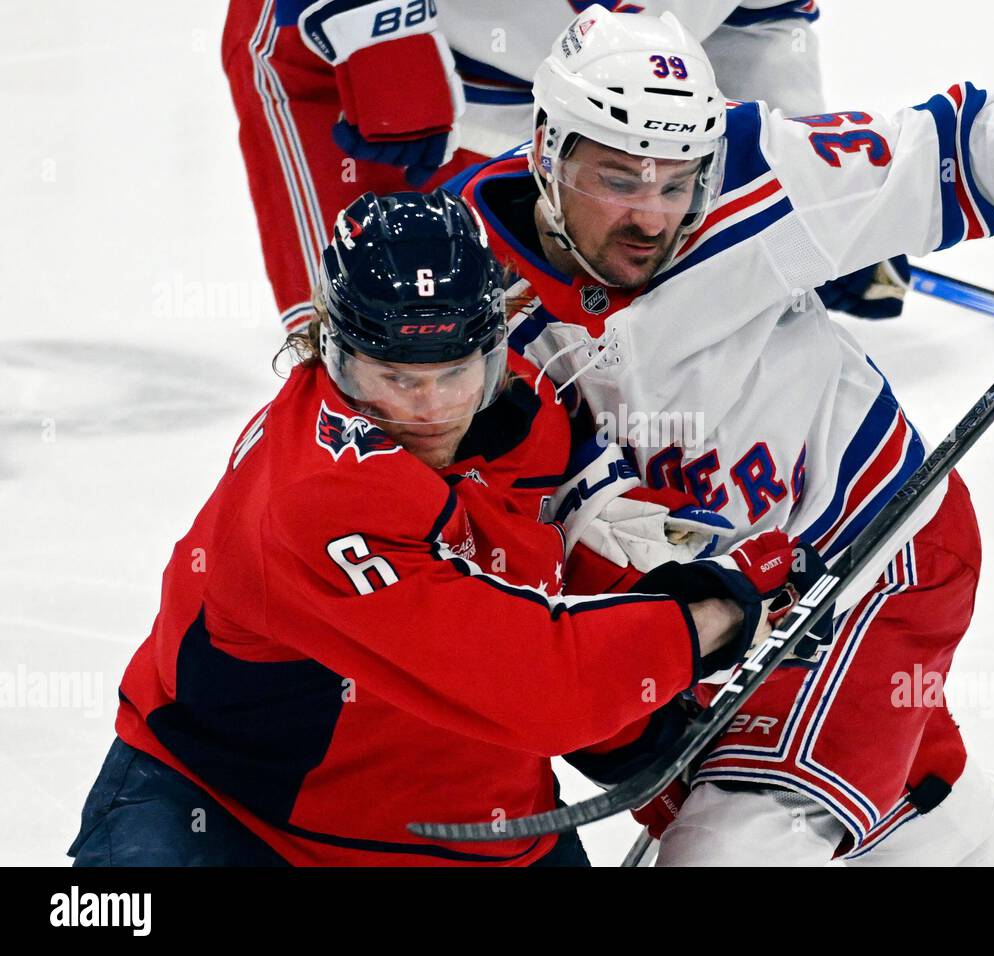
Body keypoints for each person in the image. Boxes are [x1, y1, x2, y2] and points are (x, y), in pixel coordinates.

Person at [445, 7, 994, 864]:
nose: (653, 218)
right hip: (723, 608)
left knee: (734, 844)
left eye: (676, 182)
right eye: (618, 179)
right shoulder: (469, 290)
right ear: (546, 146)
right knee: (915, 813)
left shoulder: (759, 178)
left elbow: (946, 150)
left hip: (875, 559)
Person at [67, 188, 796, 866]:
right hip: (232, 822)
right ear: (333, 352)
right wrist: (715, 616)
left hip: (471, 825)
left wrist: (640, 732)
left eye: (455, 372)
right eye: (395, 377)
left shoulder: (524, 413)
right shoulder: (316, 497)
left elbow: (533, 583)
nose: (430, 408)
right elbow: (539, 686)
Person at [221, 1, 892, 335]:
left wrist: (801, 198)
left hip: (591, 96)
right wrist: (369, 24)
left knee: (563, 351)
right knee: (375, 335)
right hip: (374, 60)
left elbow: (754, 29)